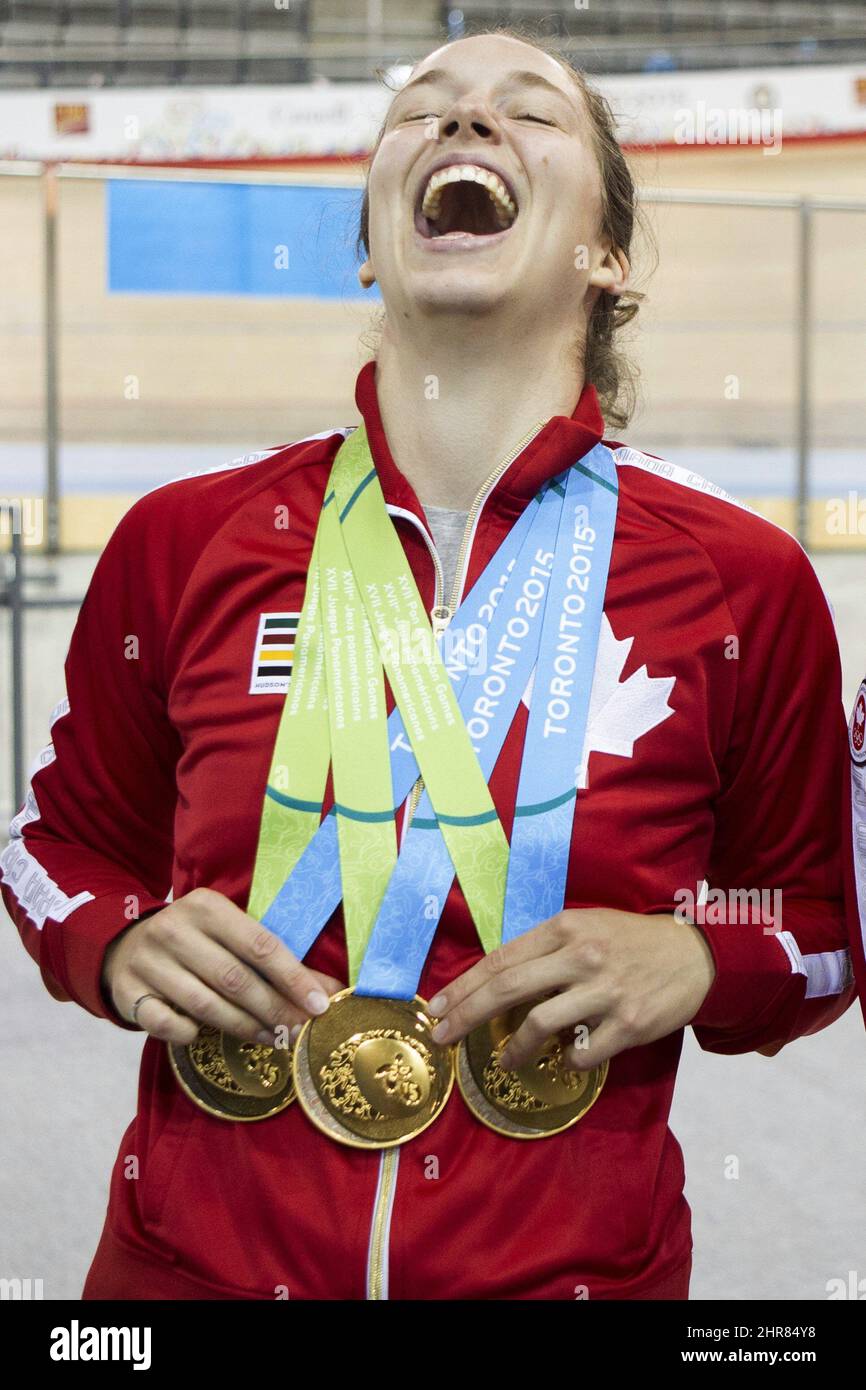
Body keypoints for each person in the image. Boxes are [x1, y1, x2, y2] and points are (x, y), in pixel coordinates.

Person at [2, 28, 856, 1301]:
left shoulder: (739, 579)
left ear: (605, 256)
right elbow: (50, 843)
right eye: (422, 110)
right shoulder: (184, 539)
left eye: (527, 113)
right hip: (180, 1279)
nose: (463, 125)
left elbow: (820, 925)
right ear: (368, 241)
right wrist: (117, 946)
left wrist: (699, 956)